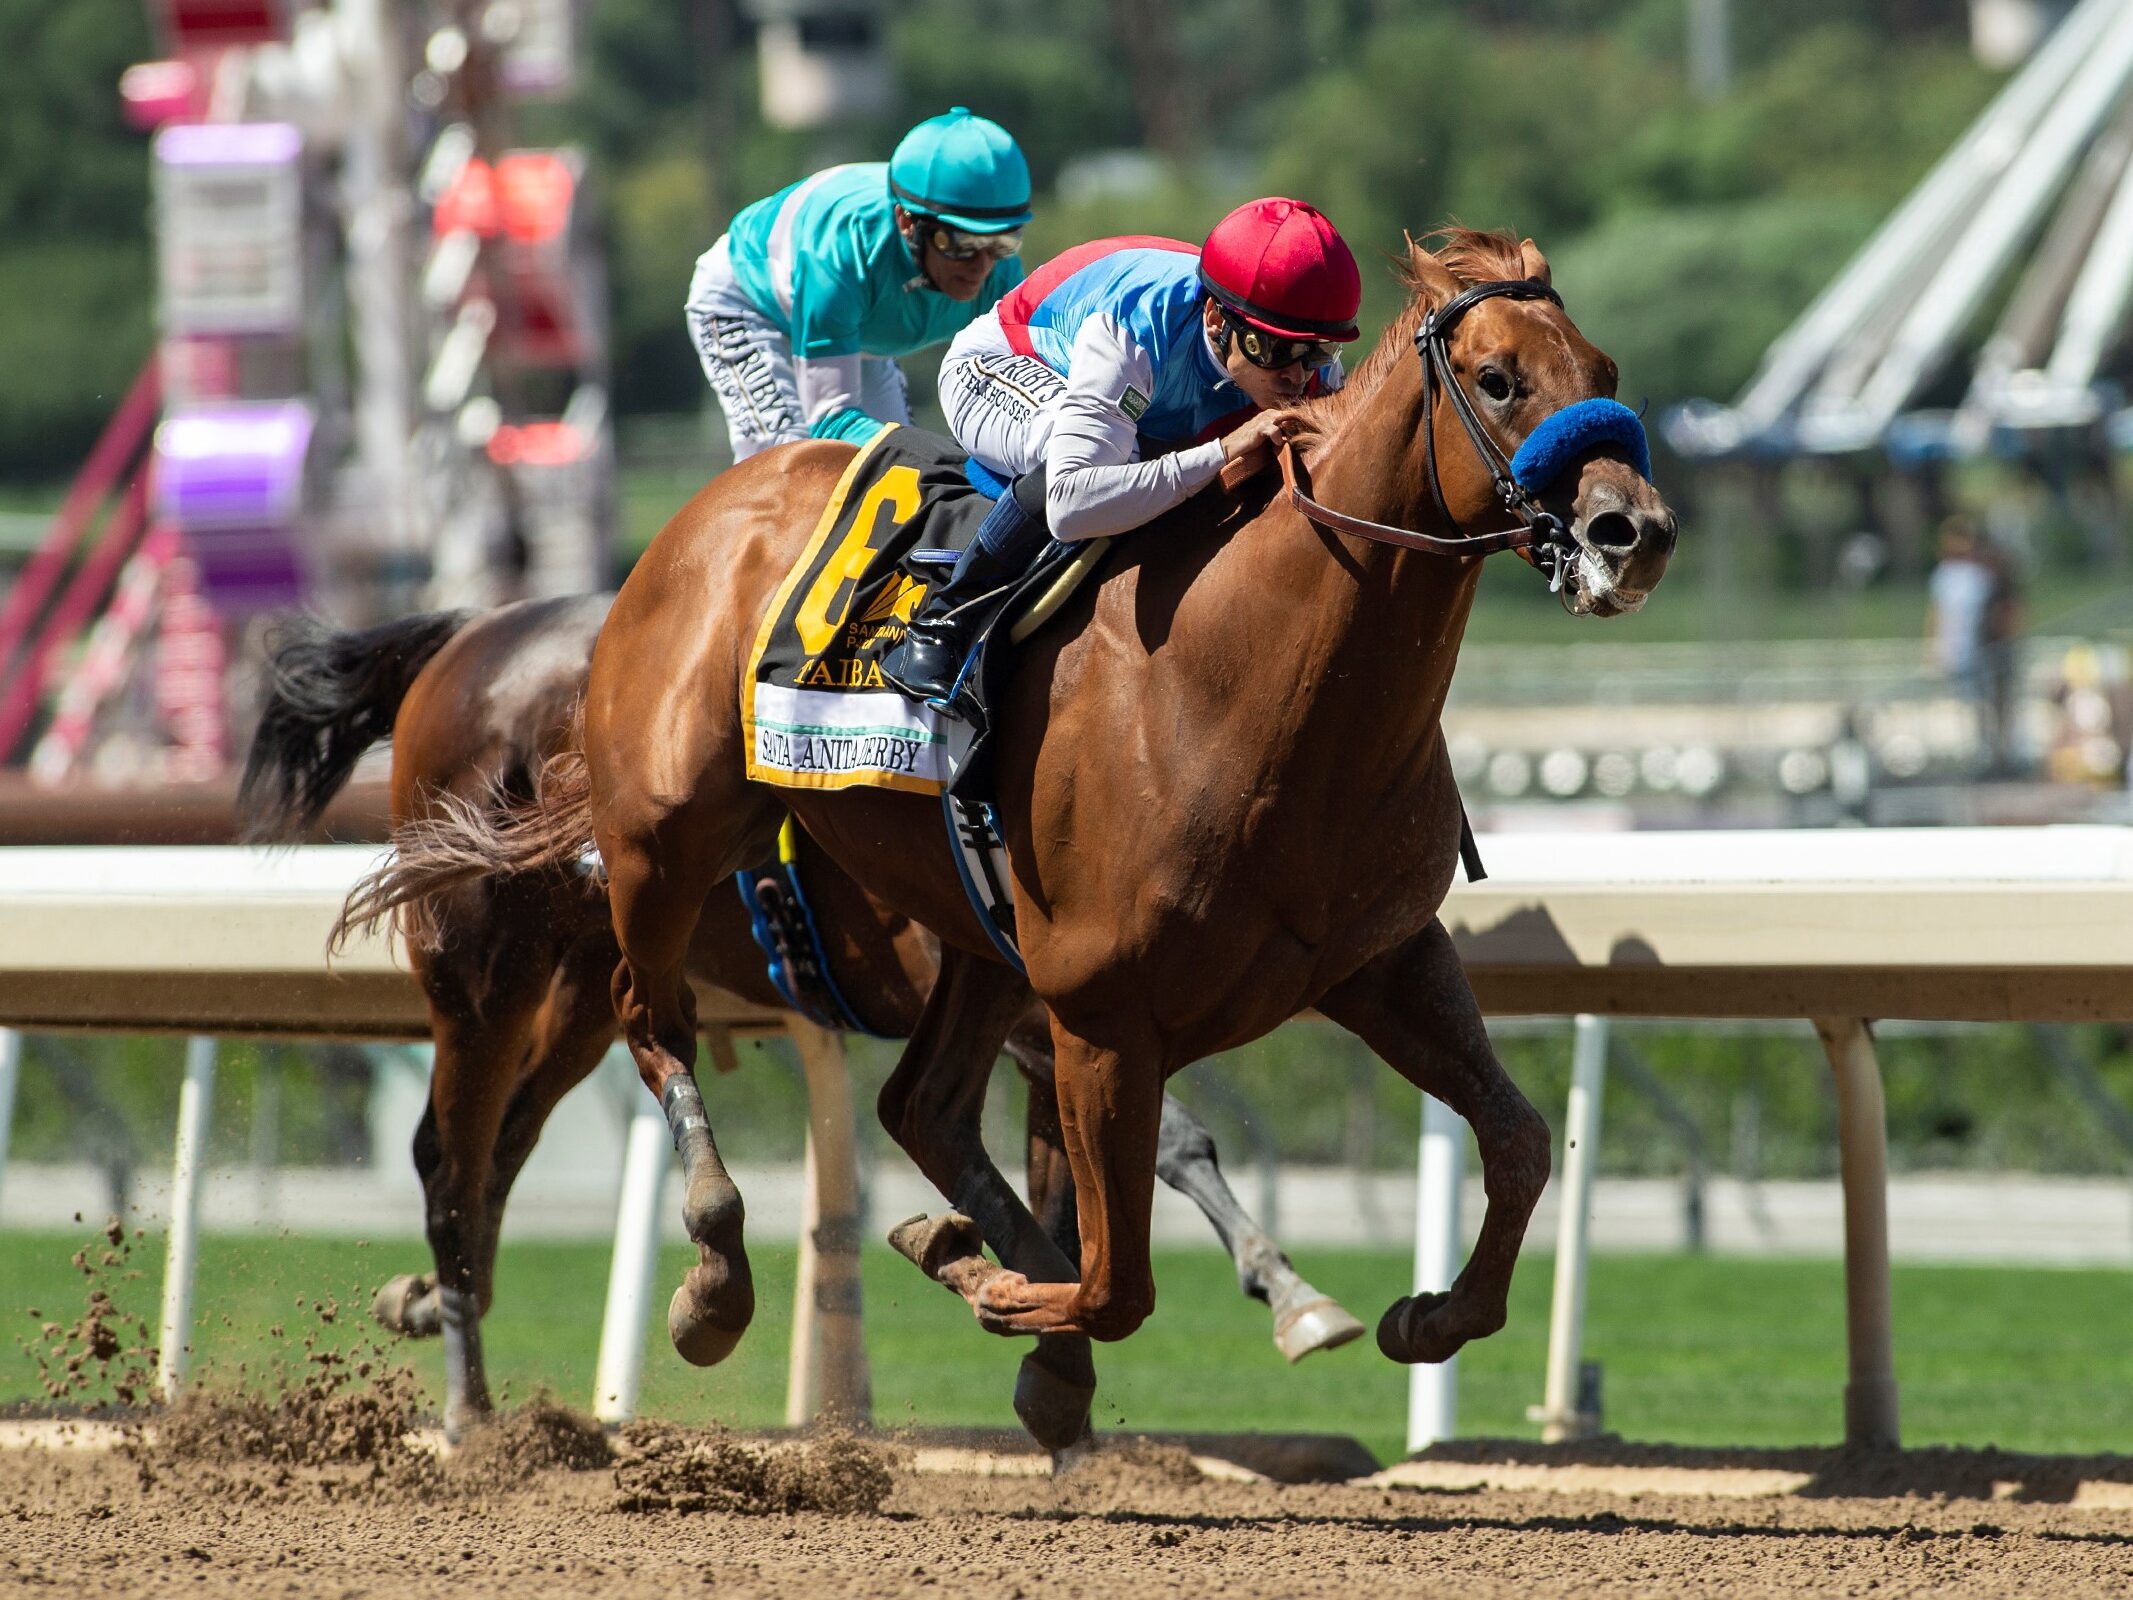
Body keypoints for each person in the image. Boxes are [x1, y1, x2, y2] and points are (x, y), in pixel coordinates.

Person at [881, 197, 1362, 707]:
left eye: (1317, 351)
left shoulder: (1305, 367)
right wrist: (1221, 451)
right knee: (1111, 465)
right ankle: (942, 624)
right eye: (1277, 351)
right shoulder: (1135, 331)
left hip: (1135, 405)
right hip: (1003, 363)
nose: (1298, 375)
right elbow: (1071, 504)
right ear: (1218, 321)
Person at [685, 107, 1030, 461]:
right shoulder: (844, 250)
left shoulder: (1002, 275)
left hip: (850, 324)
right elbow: (832, 422)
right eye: (960, 244)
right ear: (907, 222)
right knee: (790, 461)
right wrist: (949, 463)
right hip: (749, 303)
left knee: (902, 480)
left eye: (1002, 242)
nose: (982, 266)